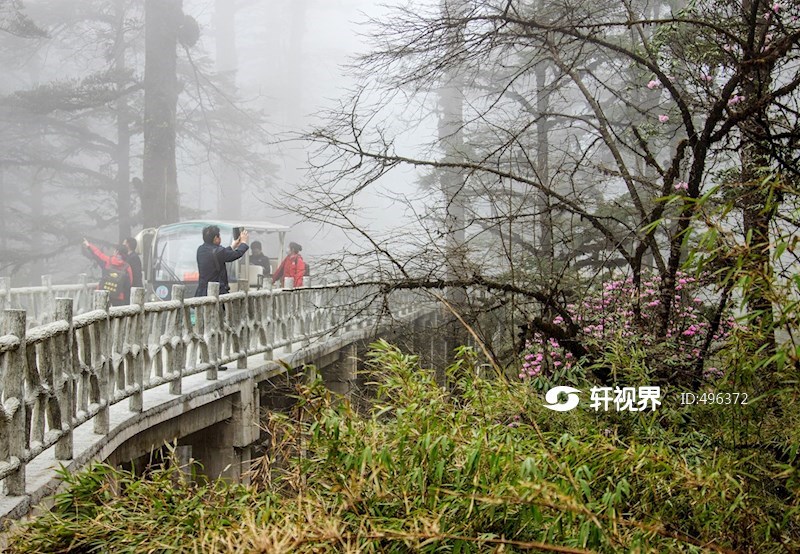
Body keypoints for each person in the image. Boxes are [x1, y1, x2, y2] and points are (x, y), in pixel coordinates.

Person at [195, 225, 249, 297]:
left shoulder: (201, 249)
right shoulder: (218, 252)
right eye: (219, 236)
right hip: (217, 291)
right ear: (215, 238)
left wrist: (232, 246)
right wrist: (244, 243)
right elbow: (236, 254)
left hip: (203, 291)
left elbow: (219, 254)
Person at [83, 239, 133, 306]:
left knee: (101, 314)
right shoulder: (127, 267)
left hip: (103, 293)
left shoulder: (108, 261)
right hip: (119, 296)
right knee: (117, 315)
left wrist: (89, 245)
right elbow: (129, 283)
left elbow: (98, 254)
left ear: (117, 252)